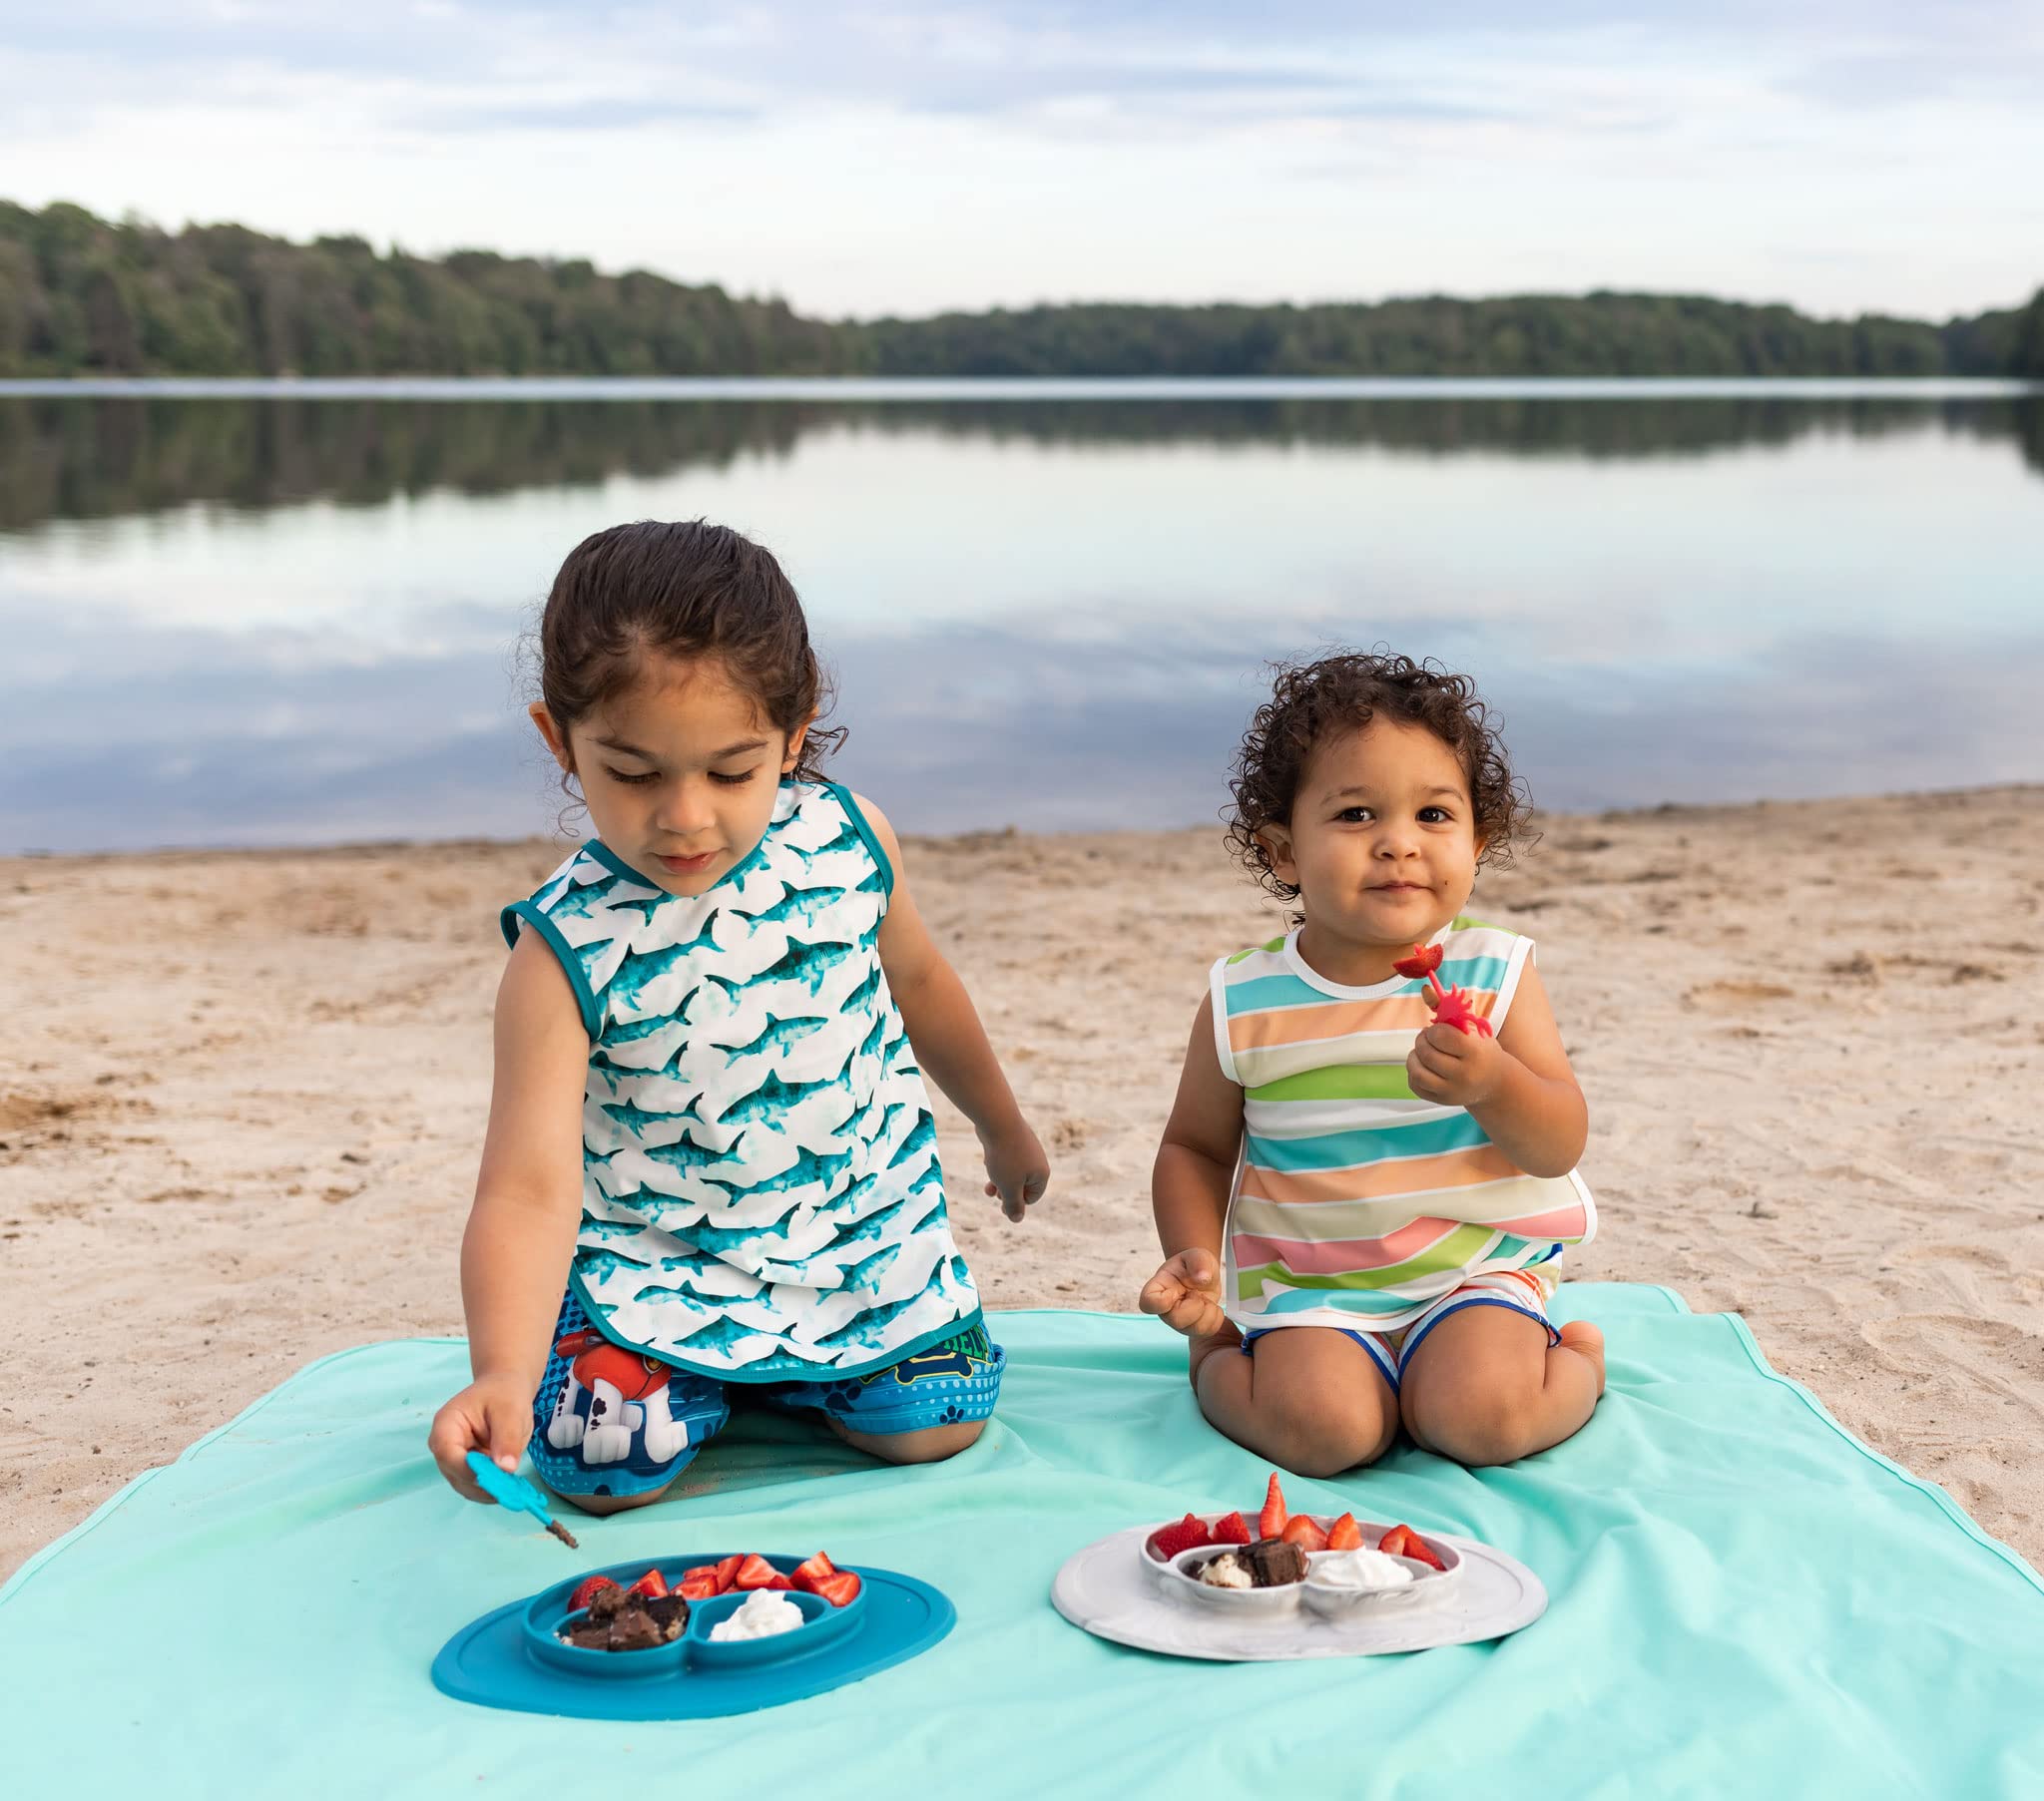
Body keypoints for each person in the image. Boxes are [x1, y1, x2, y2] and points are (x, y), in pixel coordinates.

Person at [428, 519, 1049, 1514]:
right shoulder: (562, 949)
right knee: (595, 1472)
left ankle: (799, 1369)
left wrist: (999, 1121)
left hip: (857, 1242)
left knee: (938, 1422)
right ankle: (668, 1365)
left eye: (730, 770)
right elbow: (526, 1189)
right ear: (560, 741)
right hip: (658, 1266)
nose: (683, 816)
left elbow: (923, 986)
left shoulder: (849, 840)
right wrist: (499, 1370)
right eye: (633, 772)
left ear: (794, 732)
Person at [1139, 651, 1604, 1476]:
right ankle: (1215, 1360)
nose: (1398, 844)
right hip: (1316, 1290)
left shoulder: (1495, 973)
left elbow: (1558, 1143)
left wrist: (1493, 1082)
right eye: (1356, 815)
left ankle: (1579, 1359)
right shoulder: (1246, 999)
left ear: (1476, 840)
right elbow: (1195, 1150)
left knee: (1479, 1420)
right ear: (1283, 851)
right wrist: (1195, 1256)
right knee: (1326, 1434)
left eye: (1433, 815)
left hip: (1471, 1274)